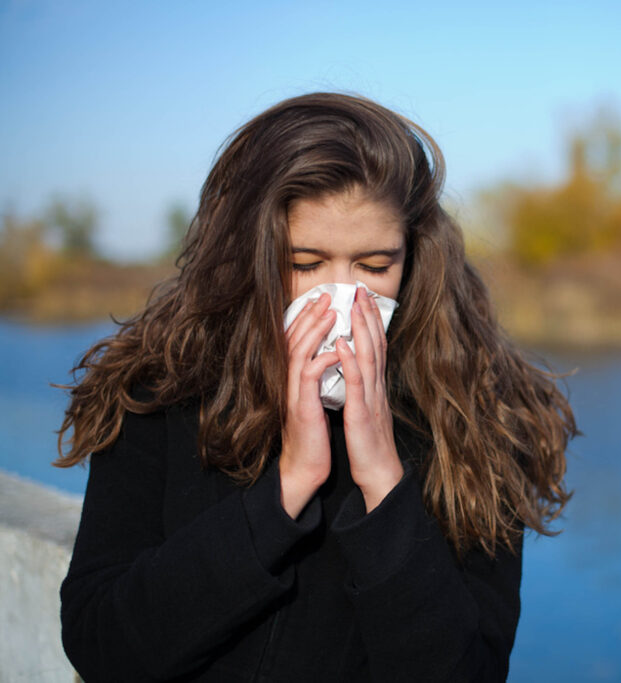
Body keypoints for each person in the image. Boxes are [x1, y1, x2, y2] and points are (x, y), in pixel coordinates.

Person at [55, 93, 575, 682]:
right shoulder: (164, 387)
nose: (342, 300)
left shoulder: (478, 417)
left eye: (376, 266)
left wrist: (385, 485)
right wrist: (285, 490)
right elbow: (102, 644)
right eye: (305, 263)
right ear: (249, 253)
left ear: (414, 256)